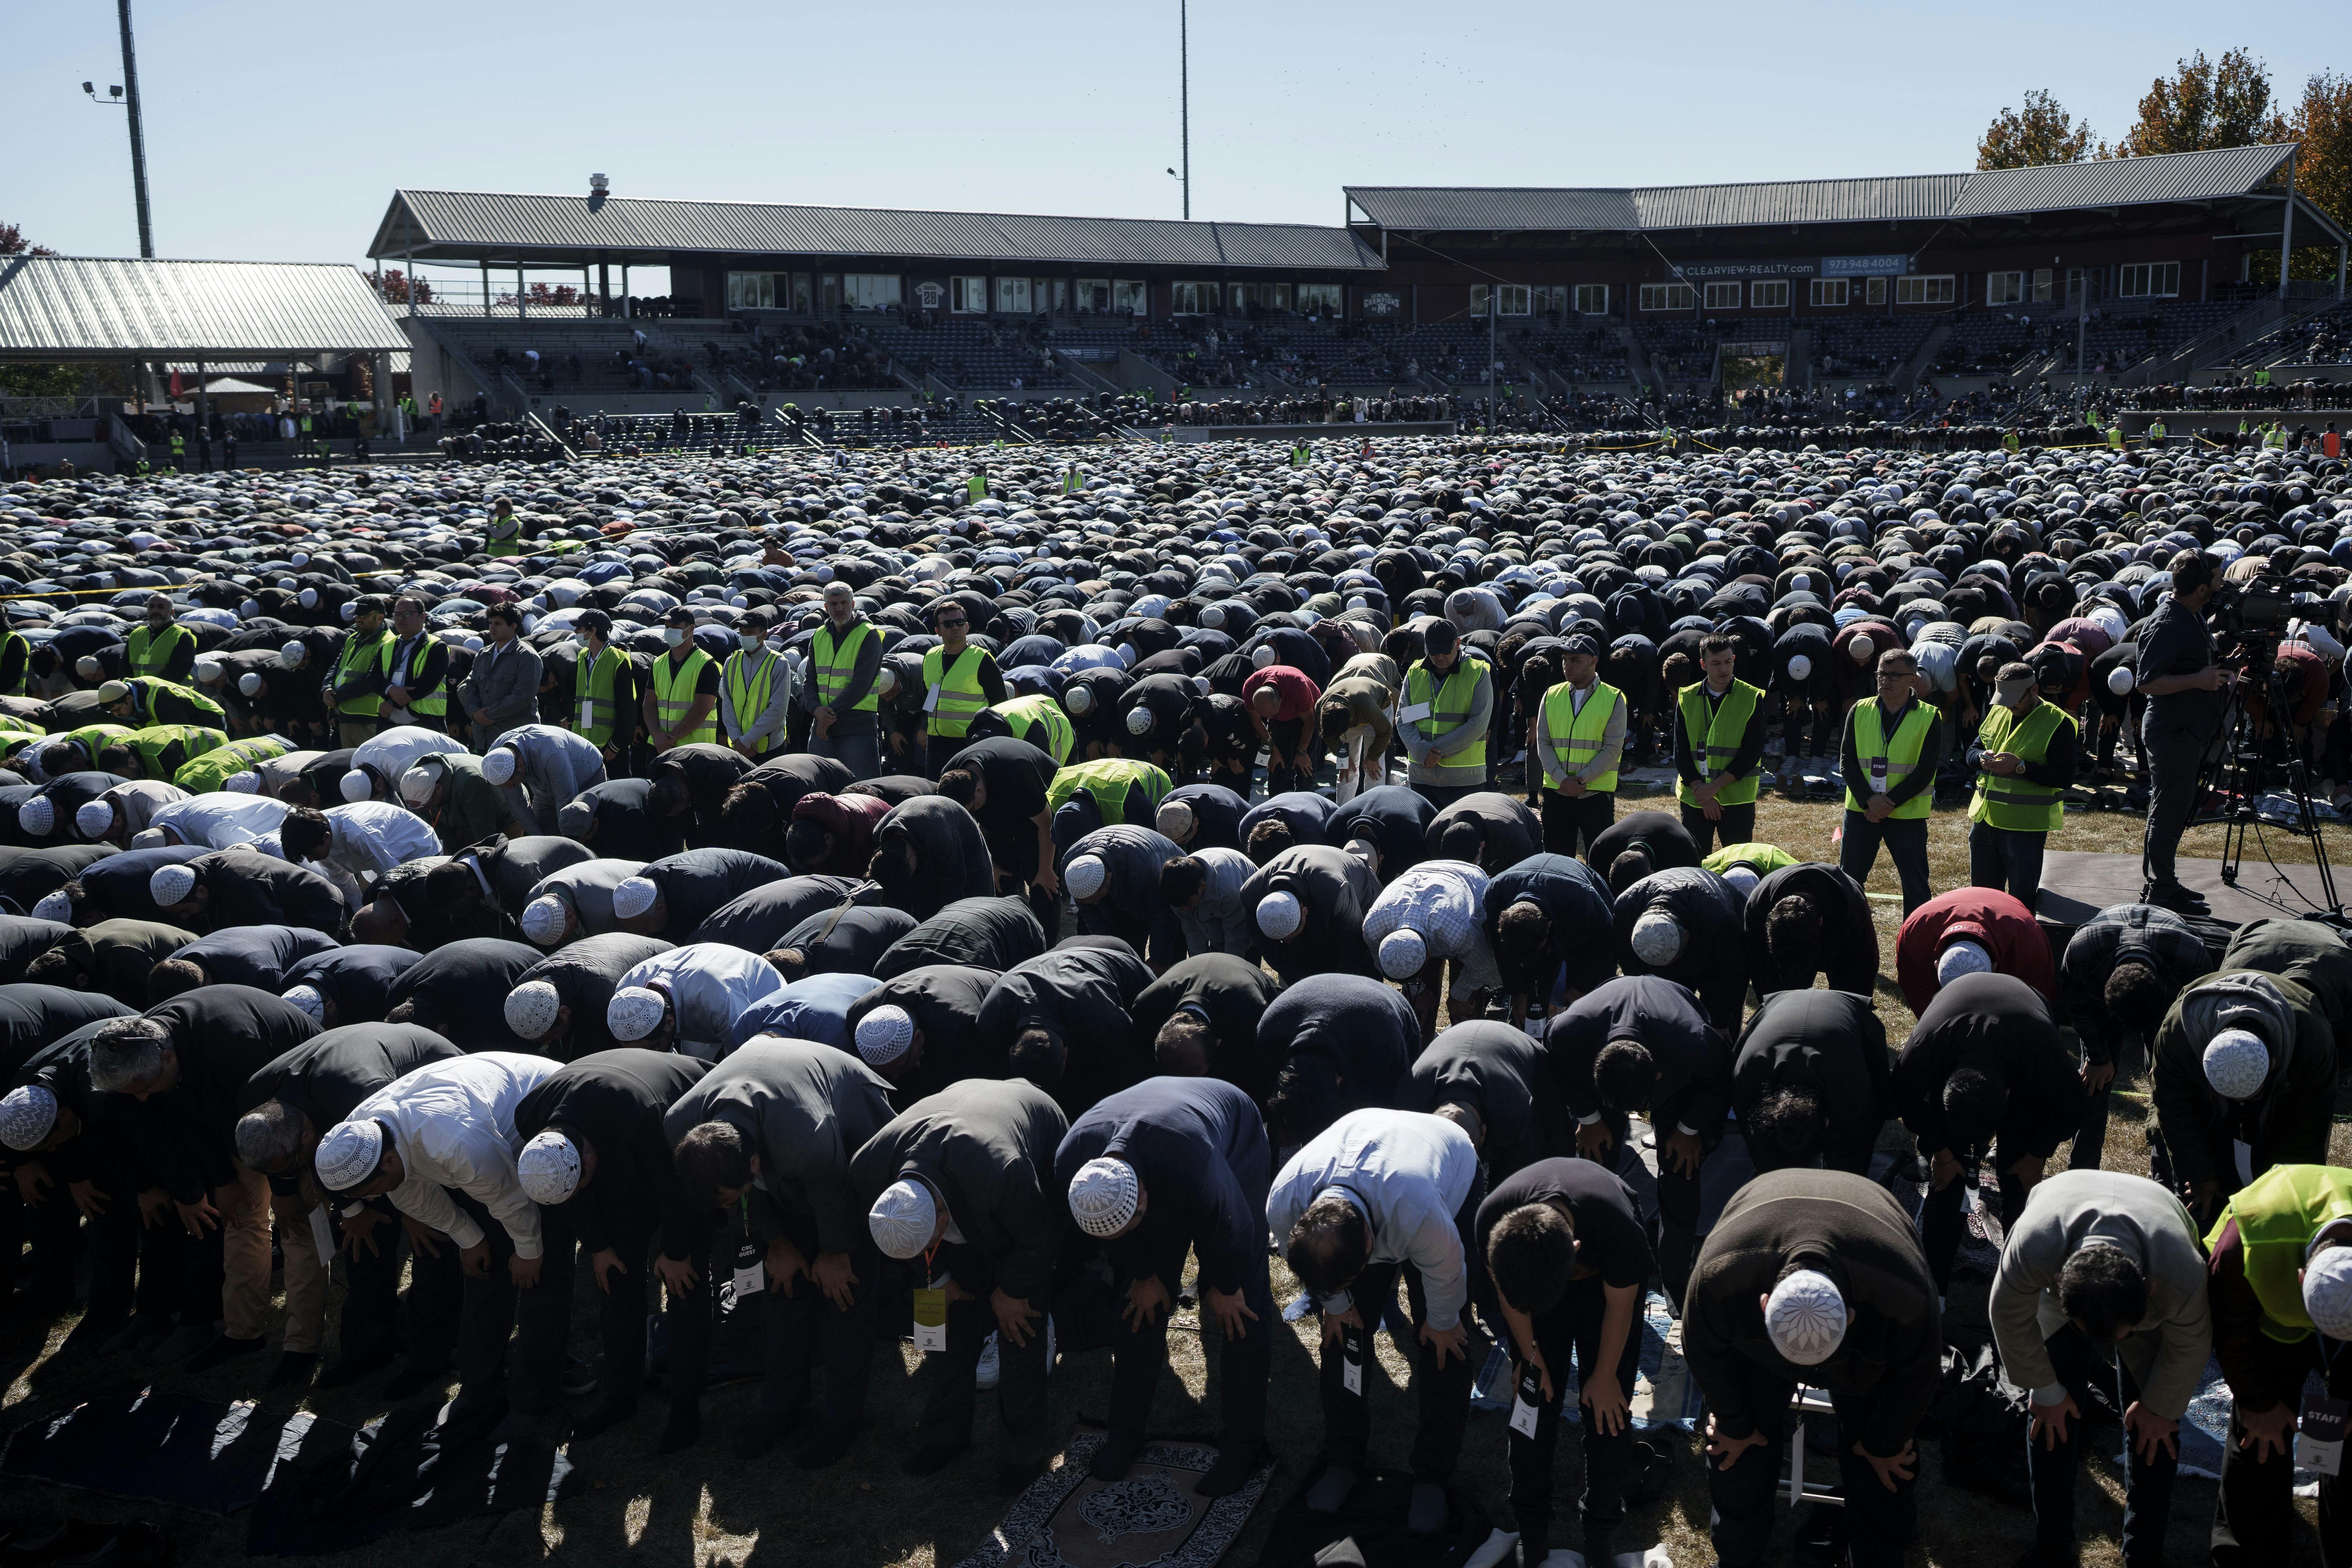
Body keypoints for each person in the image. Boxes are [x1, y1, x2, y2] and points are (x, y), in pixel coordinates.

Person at [1684, 1169, 1939, 1568]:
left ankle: (1882, 1550)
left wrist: (1883, 1441)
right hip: (1760, 1340)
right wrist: (1734, 1419)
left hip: (1860, 1336)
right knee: (1736, 1447)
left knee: (1884, 1459)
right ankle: (1737, 1555)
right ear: (1765, 1304)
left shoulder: (1902, 1293)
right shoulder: (1722, 1273)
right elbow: (1701, 1348)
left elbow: (1918, 1373)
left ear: (1851, 1318)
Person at [665, 1037, 898, 1465]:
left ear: (755, 1166)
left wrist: (835, 1254)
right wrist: (778, 1243)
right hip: (781, 1137)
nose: (729, 1208)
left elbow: (835, 1196)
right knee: (783, 1286)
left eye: (731, 1197)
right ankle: (782, 1408)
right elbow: (749, 1198)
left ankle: (842, 1419)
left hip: (849, 1141)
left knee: (843, 1292)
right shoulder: (681, 1125)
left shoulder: (805, 1138)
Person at [310, 1051, 559, 1426]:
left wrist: (528, 1250)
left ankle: (535, 1381)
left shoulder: (457, 1146)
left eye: (372, 1190)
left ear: (389, 1162)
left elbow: (509, 1196)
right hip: (477, 1119)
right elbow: (410, 1193)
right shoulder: (358, 1135)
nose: (373, 1200)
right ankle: (485, 1380)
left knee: (533, 1263)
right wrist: (469, 1240)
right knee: (487, 1263)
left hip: (545, 1105)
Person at [1053, 1076, 1272, 1495]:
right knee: (1138, 1305)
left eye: (1133, 1225)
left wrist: (1225, 1286)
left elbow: (1232, 1225)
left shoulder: (1193, 1159)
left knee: (1243, 1310)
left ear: (1143, 1201)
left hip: (1231, 1139)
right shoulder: (1073, 1163)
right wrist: (1143, 1273)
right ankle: (1125, 1432)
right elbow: (1114, 1238)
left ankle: (1244, 1445)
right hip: (1155, 1154)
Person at [850, 1077, 1070, 1493]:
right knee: (948, 1327)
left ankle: (1021, 1454)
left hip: (1032, 1155)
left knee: (1018, 1327)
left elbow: (1040, 1236)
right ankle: (944, 1437)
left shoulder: (1003, 1172)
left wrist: (1012, 1291)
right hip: (961, 1147)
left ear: (944, 1221)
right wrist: (941, 1279)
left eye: (929, 1244)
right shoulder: (869, 1168)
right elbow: (906, 1242)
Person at [1269, 1107, 1481, 1534]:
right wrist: (1335, 1304)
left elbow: (1448, 1270)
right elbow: (1320, 1277)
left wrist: (1440, 1322)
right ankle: (1343, 1458)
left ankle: (1433, 1474)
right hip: (1367, 1161)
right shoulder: (1284, 1201)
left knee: (1446, 1339)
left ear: (1372, 1245)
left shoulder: (1419, 1213)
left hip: (1447, 1164)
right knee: (1343, 1333)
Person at [1989, 1171, 2210, 1568]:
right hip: (2065, 1233)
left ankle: (2144, 1554)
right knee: (2050, 1416)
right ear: (2057, 1285)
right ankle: (2053, 1544)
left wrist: (2159, 1407)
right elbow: (2007, 1317)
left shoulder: (2182, 1271)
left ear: (2150, 1291)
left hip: (2152, 1244)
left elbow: (2190, 1345)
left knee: (2157, 1430)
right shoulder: (2033, 1247)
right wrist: (2046, 1390)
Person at [230, 1021, 463, 1390]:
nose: (292, 1175)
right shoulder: (256, 1098)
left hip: (430, 1106)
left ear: (309, 1136)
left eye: (292, 1167)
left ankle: (432, 1353)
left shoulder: (363, 1097)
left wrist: (415, 1212)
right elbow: (321, 1164)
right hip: (356, 1120)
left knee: (434, 1240)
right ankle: (368, 1352)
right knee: (362, 1242)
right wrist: (352, 1212)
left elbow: (403, 1155)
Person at [509, 1048, 712, 1450]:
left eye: (583, 1178)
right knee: (616, 1278)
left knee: (685, 1282)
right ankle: (623, 1394)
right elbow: (568, 1193)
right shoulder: (531, 1115)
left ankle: (687, 1406)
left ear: (587, 1155)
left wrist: (675, 1252)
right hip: (618, 1156)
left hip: (682, 1141)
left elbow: (674, 1191)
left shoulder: (641, 1115)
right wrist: (599, 1246)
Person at [1476, 1157, 1652, 1568]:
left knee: (1608, 1411)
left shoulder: (1619, 1230)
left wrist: (1606, 1375)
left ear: (1575, 1252)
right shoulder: (1493, 1222)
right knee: (1533, 1401)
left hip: (1605, 1291)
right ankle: (1532, 1532)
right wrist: (1529, 1358)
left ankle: (1600, 1534)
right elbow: (1509, 1297)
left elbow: (1620, 1306)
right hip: (1535, 1278)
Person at [1895, 971, 2081, 1291]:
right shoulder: (1930, 1045)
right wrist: (1942, 1151)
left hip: (2024, 1026)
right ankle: (1935, 1291)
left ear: (2010, 1097)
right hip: (1955, 1034)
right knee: (1947, 1181)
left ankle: (2021, 1282)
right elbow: (1904, 1098)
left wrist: (2037, 1154)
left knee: (2017, 1177)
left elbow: (2075, 1107)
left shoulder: (2041, 1051)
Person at [2204, 1163, 2352, 1564]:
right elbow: (2232, 1332)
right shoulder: (2246, 1239)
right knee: (2260, 1436)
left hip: (2344, 1343)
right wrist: (2259, 1403)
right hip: (2267, 1325)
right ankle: (2248, 1554)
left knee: (2344, 1438)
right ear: (2302, 1276)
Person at [2151, 968, 2336, 1221]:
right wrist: (2200, 1176)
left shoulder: (2312, 1041)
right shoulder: (2176, 1037)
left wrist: (2279, 1196)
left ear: (2273, 1064)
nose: (2239, 1104)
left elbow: (2306, 1128)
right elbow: (2176, 1112)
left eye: (2251, 1096)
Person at [2058, 904, 2214, 1172]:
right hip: (2107, 951)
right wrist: (2098, 1057)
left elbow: (2194, 1018)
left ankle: (2165, 1174)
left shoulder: (2192, 960)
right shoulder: (2081, 953)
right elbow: (2079, 1008)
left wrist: (2166, 1059)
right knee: (2094, 1081)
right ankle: (2082, 1173)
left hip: (2166, 962)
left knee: (2169, 1085)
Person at [2136, 549, 2229, 914]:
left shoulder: (2188, 614)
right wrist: (2200, 679)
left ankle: (2165, 882)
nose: (2225, 585)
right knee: (2169, 808)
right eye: (2219, 579)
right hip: (2172, 731)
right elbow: (2147, 683)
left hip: (2186, 729)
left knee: (2173, 806)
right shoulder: (2169, 622)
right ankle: (2161, 889)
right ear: (2202, 588)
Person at [1732, 988, 1891, 1175]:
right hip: (1779, 1007)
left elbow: (1855, 1144)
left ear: (1827, 1122)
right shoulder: (1747, 1075)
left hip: (1849, 1010)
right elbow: (1755, 1138)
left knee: (1856, 1143)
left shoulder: (1851, 1086)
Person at [1837, 646, 1942, 912]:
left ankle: (1916, 944)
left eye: (1895, 676)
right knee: (1849, 882)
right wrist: (1870, 801)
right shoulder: (1859, 710)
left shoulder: (1930, 716)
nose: (1886, 681)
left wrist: (1888, 803)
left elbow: (1926, 769)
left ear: (1913, 680)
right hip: (1862, 810)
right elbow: (1847, 760)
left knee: (1915, 885)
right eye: (1882, 674)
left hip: (1907, 815)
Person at [1966, 660, 2077, 910]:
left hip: (2025, 828)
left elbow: (2065, 777)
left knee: (2021, 903)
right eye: (2004, 698)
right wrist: (1980, 760)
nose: (2009, 705)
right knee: (1983, 900)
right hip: (1984, 821)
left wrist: (2021, 767)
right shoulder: (1999, 710)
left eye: (2016, 698)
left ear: (2034, 691)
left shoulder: (2058, 723)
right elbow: (1973, 749)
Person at [1530, 632, 1625, 858]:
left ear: (1593, 661)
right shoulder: (1551, 695)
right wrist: (1563, 780)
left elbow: (1613, 748)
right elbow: (1543, 741)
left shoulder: (1614, 697)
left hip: (1595, 795)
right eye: (1565, 660)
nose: (1567, 666)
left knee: (1601, 861)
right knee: (1556, 862)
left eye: (1575, 660)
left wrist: (1580, 780)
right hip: (1556, 793)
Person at [1673, 632, 1767, 855]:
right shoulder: (1687, 696)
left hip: (1737, 801)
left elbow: (1752, 752)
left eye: (1727, 662)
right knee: (1694, 864)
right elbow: (1680, 751)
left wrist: (1712, 789)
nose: (1723, 669)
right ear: (1704, 665)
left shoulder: (1751, 697)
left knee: (1739, 865)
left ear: (1734, 660)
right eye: (1716, 664)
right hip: (1696, 799)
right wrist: (1701, 791)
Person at [1399, 619, 1493, 809]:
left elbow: (1478, 724)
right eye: (1433, 653)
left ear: (1458, 644)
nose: (1439, 657)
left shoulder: (1478, 672)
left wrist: (1436, 752)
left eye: (1445, 651)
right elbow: (1404, 719)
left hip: (1463, 779)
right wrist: (1421, 751)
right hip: (1422, 776)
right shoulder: (1415, 673)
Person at [805, 582, 884, 780]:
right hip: (823, 727)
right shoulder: (819, 635)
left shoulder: (868, 634)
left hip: (857, 728)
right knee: (820, 791)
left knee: (862, 792)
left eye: (843, 603)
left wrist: (826, 714)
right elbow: (810, 681)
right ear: (826, 607)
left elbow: (861, 684)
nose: (839, 608)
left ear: (853, 604)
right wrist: (816, 711)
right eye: (833, 604)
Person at [918, 601, 1003, 777]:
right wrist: (923, 727)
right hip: (936, 742)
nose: (955, 627)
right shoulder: (931, 657)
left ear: (967, 626)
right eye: (948, 624)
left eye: (960, 622)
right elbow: (930, 696)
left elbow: (1000, 705)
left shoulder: (983, 659)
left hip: (970, 743)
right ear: (938, 631)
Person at [457, 605, 542, 754]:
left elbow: (523, 696)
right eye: (490, 623)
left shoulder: (527, 656)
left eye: (498, 624)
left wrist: (487, 715)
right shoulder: (484, 654)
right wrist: (474, 713)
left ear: (513, 627)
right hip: (483, 736)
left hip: (515, 738)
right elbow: (469, 686)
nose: (492, 628)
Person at [720, 608, 793, 762]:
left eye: (750, 632)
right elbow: (727, 703)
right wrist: (737, 739)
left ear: (764, 635)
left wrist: (746, 740)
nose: (745, 636)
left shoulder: (778, 663)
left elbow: (778, 709)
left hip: (770, 747)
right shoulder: (732, 661)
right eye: (742, 632)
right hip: (738, 746)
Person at [569, 610, 637, 774]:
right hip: (585, 742)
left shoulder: (618, 660)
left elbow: (628, 707)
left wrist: (617, 743)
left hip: (610, 748)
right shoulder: (583, 656)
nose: (575, 632)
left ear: (593, 631)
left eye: (579, 628)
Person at [374, 594, 449, 733]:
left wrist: (392, 703)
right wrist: (390, 689)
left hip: (424, 722)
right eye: (397, 615)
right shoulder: (387, 645)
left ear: (422, 617)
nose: (401, 618)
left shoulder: (437, 646)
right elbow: (373, 677)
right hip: (390, 723)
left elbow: (428, 683)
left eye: (407, 614)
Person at [325, 596, 392, 748]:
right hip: (345, 713)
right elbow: (336, 667)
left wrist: (337, 698)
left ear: (380, 618)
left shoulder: (388, 642)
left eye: (364, 617)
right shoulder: (354, 638)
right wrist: (326, 688)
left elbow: (371, 679)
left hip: (367, 718)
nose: (358, 620)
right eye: (357, 616)